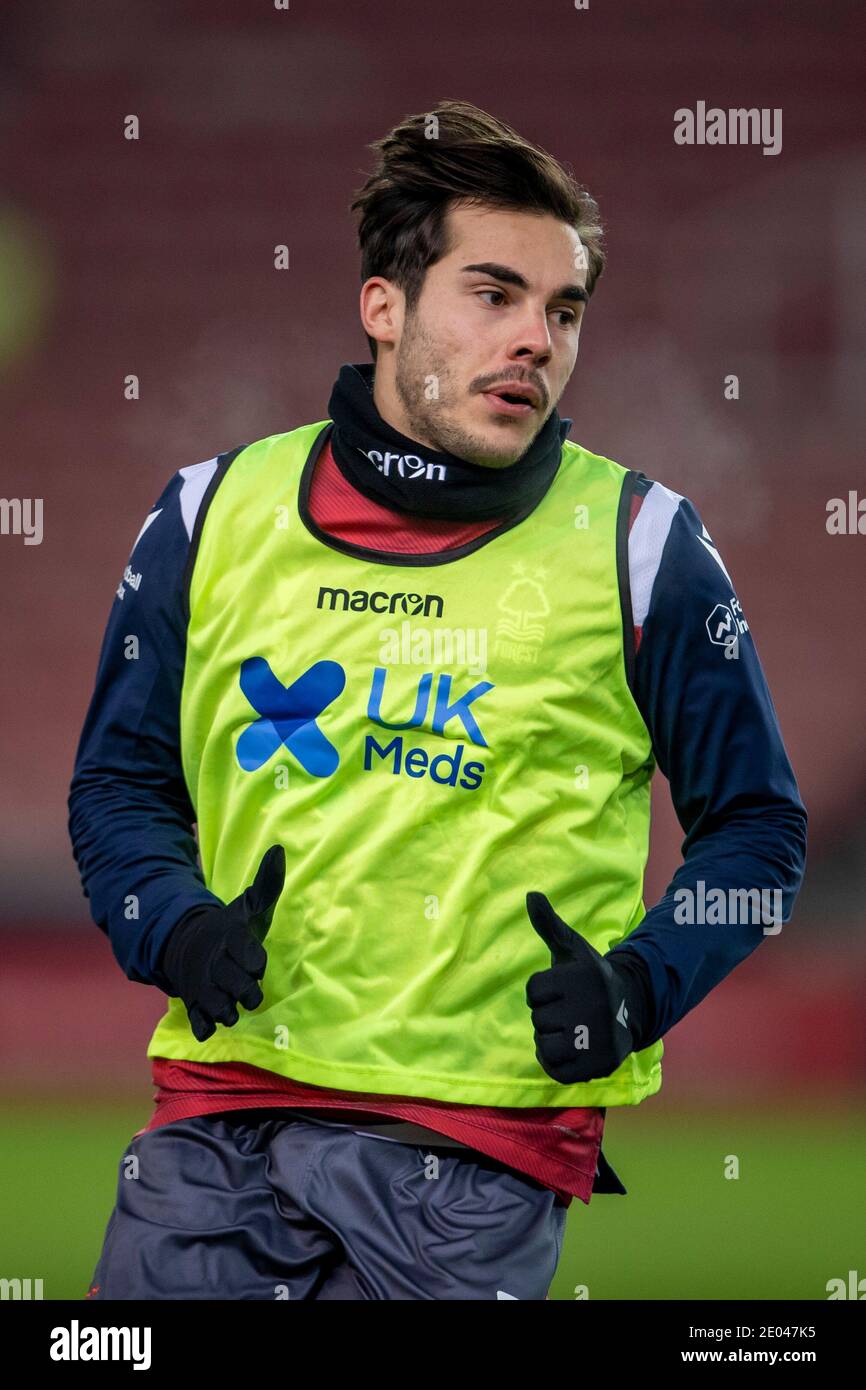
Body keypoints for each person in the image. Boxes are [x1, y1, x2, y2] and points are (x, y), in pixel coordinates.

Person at [68, 100, 807, 1301]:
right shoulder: (209, 514)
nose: (535, 339)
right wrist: (172, 924)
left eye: (562, 311)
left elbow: (759, 834)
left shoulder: (639, 543)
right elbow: (118, 785)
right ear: (383, 306)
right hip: (215, 1124)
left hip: (478, 1159)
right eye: (493, 293)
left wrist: (636, 987)